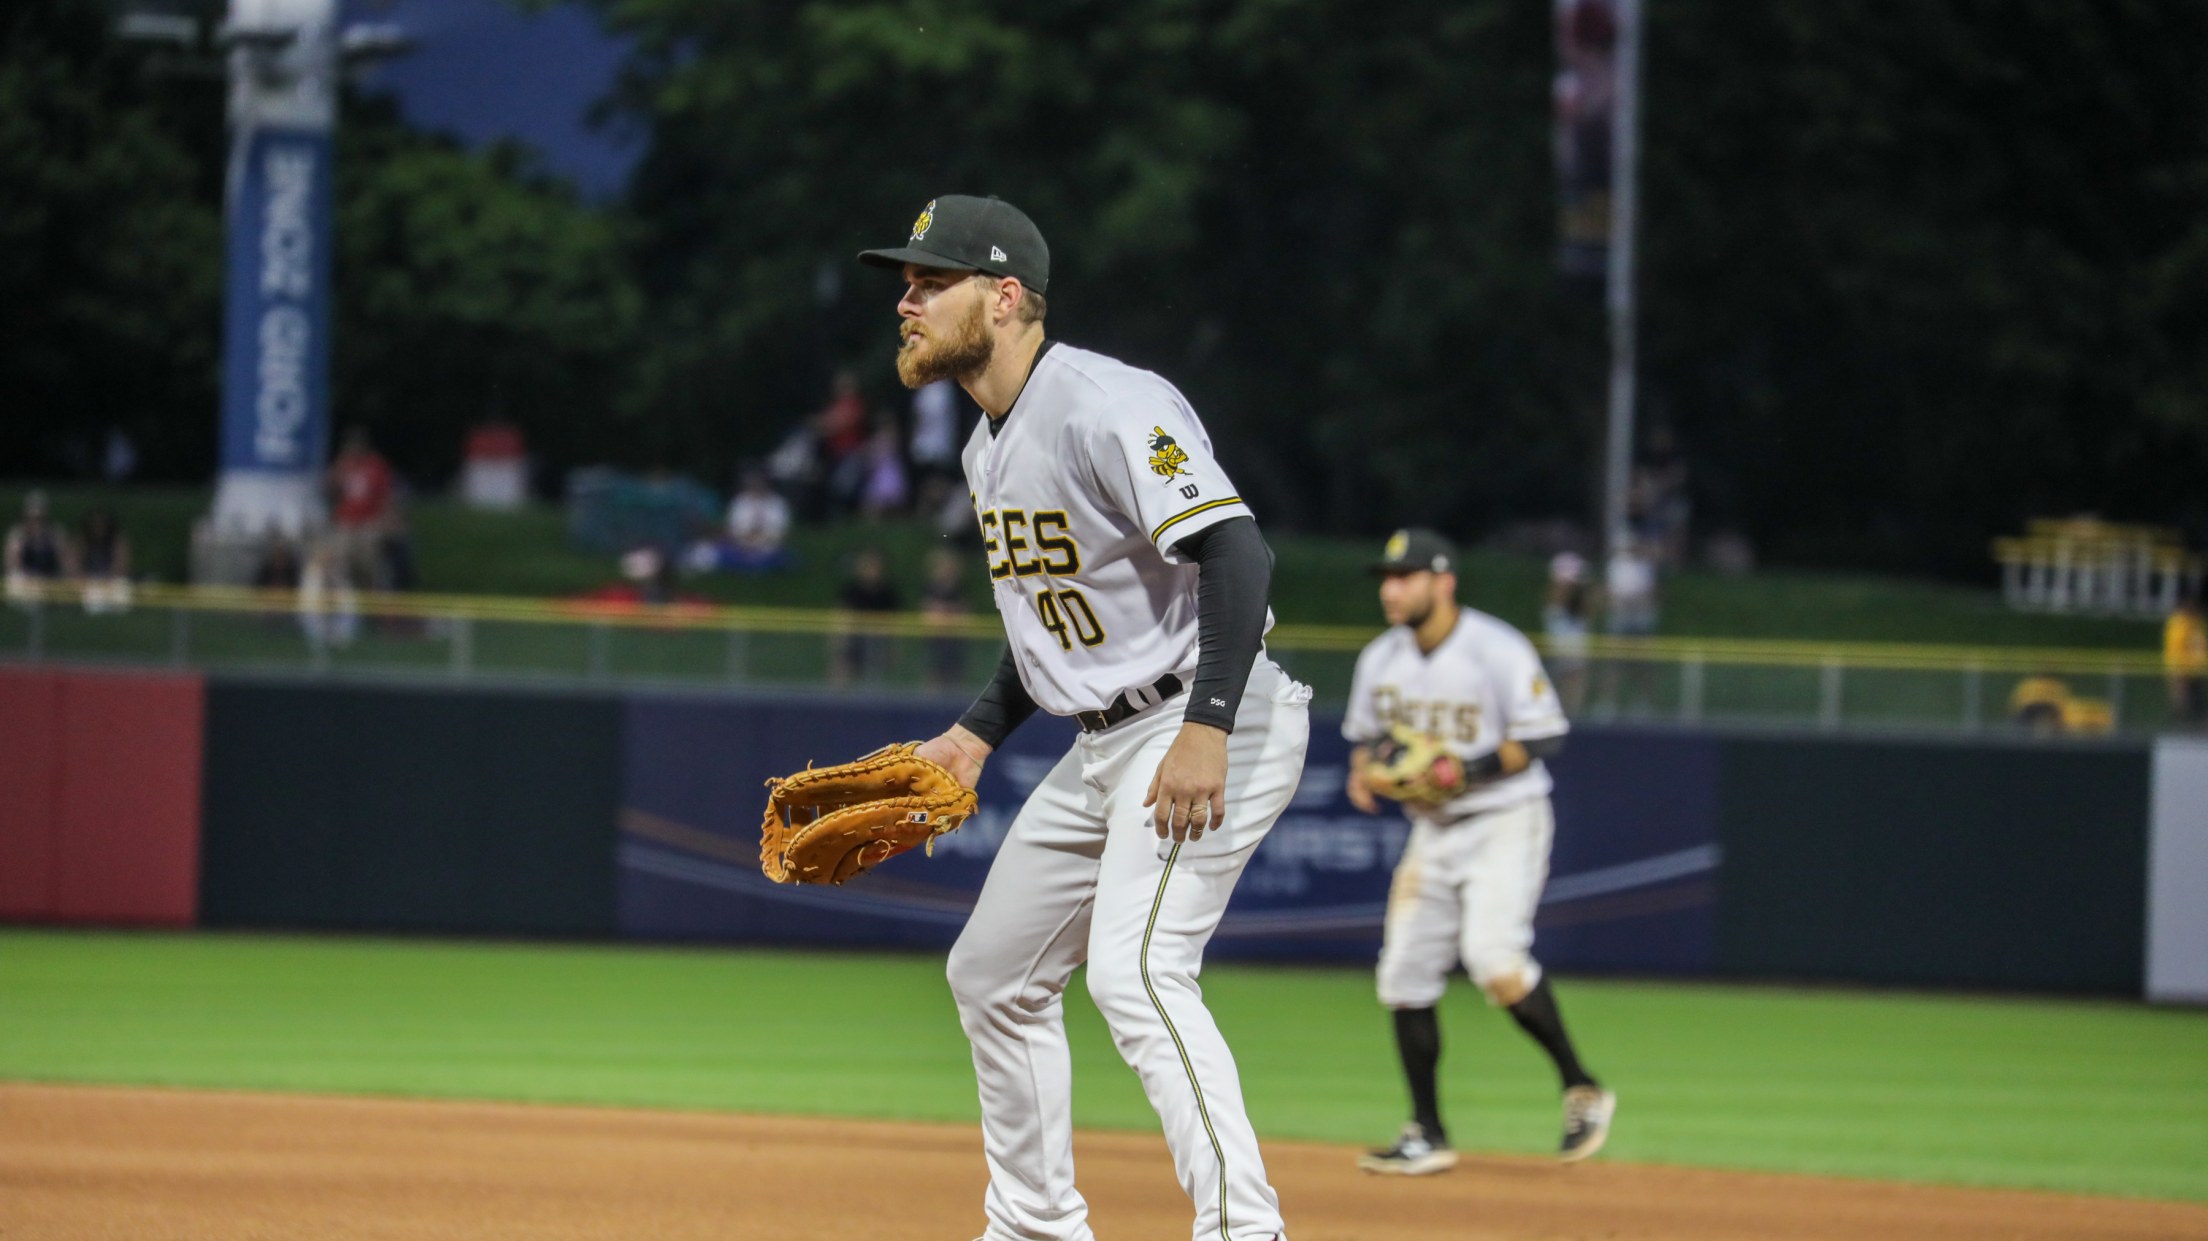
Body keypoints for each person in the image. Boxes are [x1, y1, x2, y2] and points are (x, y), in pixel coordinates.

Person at [862, 194, 1312, 1241]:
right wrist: (975, 732)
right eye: (907, 280)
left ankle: (1247, 1229)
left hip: (1208, 715)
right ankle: (1033, 1223)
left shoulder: (1111, 401)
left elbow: (1238, 553)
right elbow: (1052, 631)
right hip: (1107, 736)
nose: (908, 299)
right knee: (992, 972)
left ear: (1006, 294)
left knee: (1138, 970)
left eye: (933, 280)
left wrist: (1207, 724)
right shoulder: (986, 449)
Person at [1343, 528, 1616, 1173]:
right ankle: (1427, 1132)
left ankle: (1582, 1087)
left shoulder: (1495, 648)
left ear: (1443, 582)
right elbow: (1367, 740)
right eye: (1386, 577)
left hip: (1505, 819)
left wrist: (1462, 772)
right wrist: (1367, 771)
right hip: (1432, 832)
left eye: (1404, 576)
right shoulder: (1380, 660)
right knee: (1404, 977)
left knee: (1494, 960)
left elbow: (1544, 736)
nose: (1391, 588)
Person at [326, 427, 395, 590]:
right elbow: (331, 490)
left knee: (368, 559)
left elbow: (385, 496)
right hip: (346, 521)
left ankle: (370, 591)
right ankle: (346, 595)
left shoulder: (376, 466)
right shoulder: (344, 464)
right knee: (340, 558)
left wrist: (385, 521)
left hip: (368, 522)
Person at [831, 546, 901, 685]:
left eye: (875, 566)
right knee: (843, 670)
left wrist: (894, 646)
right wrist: (838, 639)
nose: (872, 570)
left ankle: (871, 703)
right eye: (868, 565)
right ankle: (837, 703)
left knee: (873, 676)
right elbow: (842, 614)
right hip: (854, 637)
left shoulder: (887, 591)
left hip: (876, 640)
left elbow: (893, 619)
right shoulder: (852, 589)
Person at [1541, 551, 1597, 714]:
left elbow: (1588, 611)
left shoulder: (1578, 599)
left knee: (1575, 681)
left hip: (1575, 648)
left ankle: (1573, 714)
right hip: (1560, 648)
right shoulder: (1555, 593)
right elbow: (1557, 599)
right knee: (1559, 683)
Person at [919, 548, 973, 692]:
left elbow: (964, 612)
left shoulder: (959, 589)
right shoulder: (930, 588)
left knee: (955, 677)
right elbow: (929, 612)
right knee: (934, 675)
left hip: (954, 642)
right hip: (936, 641)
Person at [4, 491, 72, 605]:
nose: (36, 520)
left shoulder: (55, 533)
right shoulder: (17, 534)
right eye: (32, 516)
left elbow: (65, 559)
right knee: (14, 579)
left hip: (49, 576)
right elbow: (12, 563)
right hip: (27, 577)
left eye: (39, 516)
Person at [75, 507, 132, 614]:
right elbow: (75, 565)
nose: (98, 527)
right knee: (92, 595)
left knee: (121, 587)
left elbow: (121, 565)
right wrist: (84, 578)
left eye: (102, 524)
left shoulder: (117, 541)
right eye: (95, 524)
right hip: (90, 580)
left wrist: (108, 579)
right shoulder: (83, 541)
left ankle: (120, 620)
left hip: (111, 579)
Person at [2166, 587, 2207, 728]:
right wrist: (2178, 671)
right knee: (2184, 702)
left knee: (2198, 703)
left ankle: (2196, 728)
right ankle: (2182, 729)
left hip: (2195, 670)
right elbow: (2176, 648)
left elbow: (2200, 644)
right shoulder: (2179, 623)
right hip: (2183, 670)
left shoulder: (2195, 622)